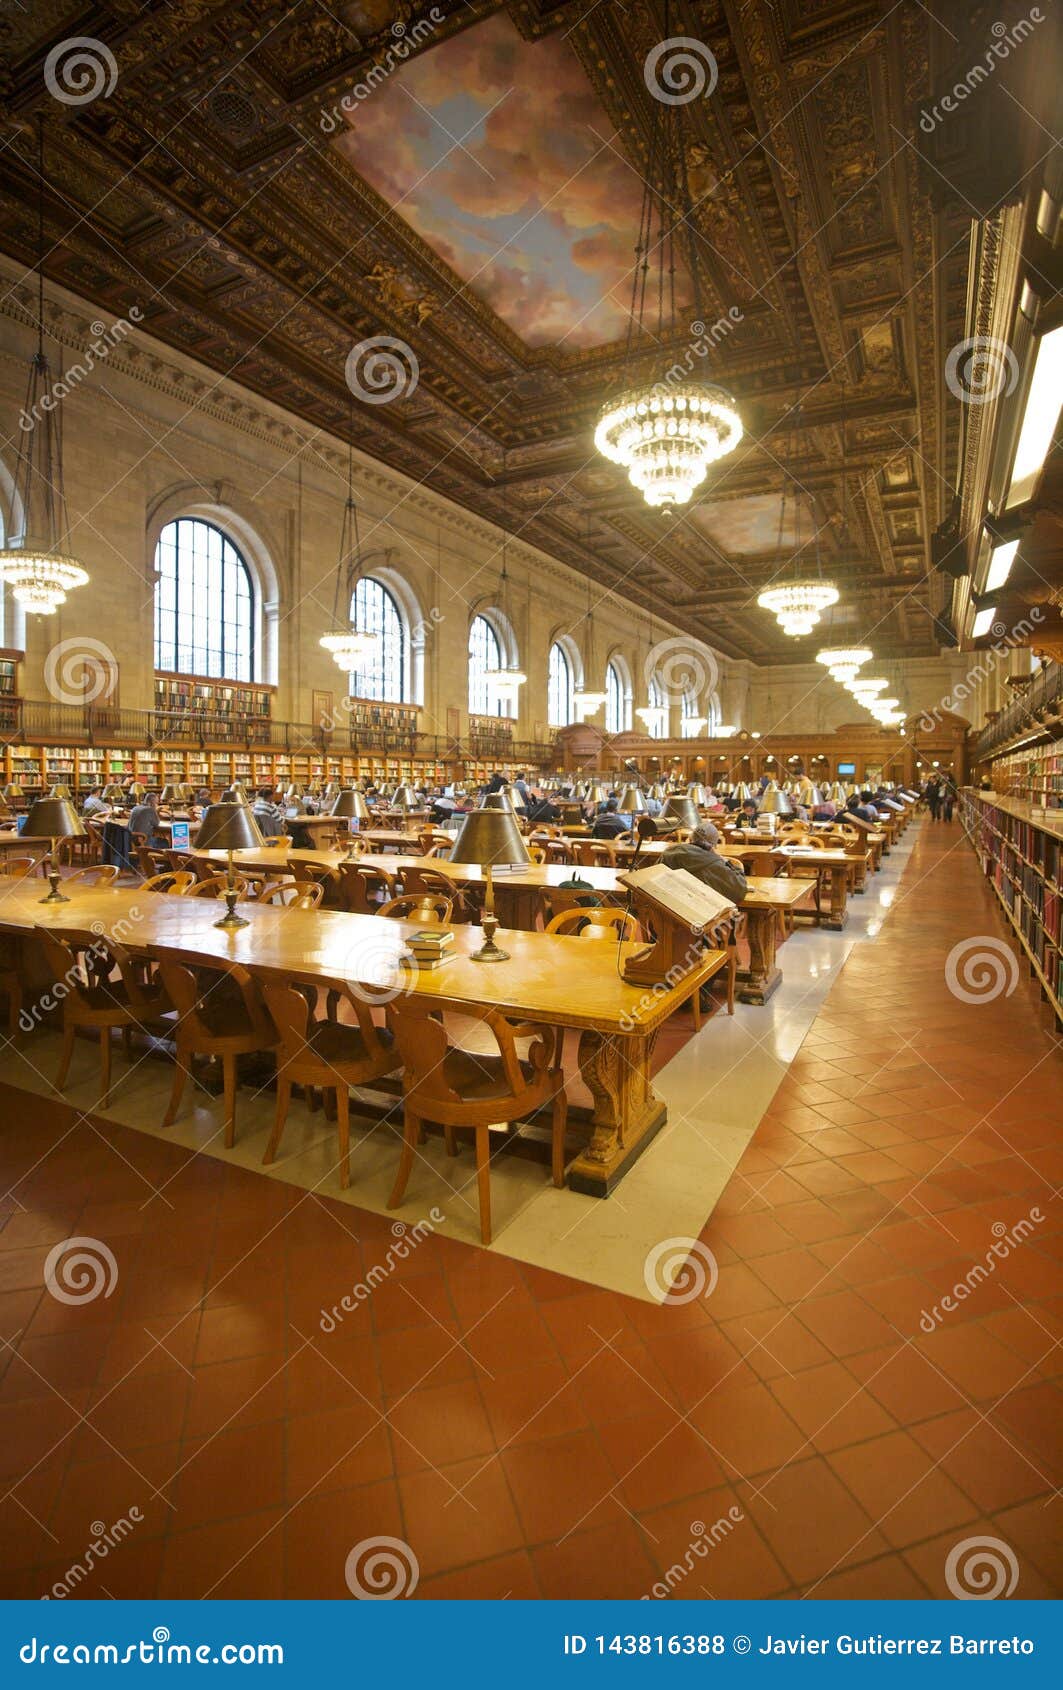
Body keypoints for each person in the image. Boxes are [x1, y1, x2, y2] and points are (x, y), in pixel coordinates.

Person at [661, 821, 749, 904]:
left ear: (690, 839)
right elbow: (739, 891)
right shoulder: (715, 863)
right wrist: (726, 862)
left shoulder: (668, 854)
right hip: (703, 917)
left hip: (669, 914)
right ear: (713, 846)